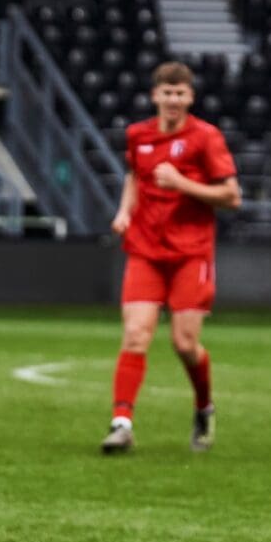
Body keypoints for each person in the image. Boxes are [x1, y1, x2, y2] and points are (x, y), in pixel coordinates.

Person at [103, 60, 240, 454]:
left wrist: (182, 183)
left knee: (184, 344)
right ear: (155, 95)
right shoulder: (137, 135)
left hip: (190, 253)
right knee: (135, 335)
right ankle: (121, 422)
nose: (173, 99)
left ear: (190, 97)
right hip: (145, 249)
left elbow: (232, 196)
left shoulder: (205, 138)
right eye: (167, 92)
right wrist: (124, 210)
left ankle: (203, 406)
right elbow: (134, 175)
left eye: (180, 93)